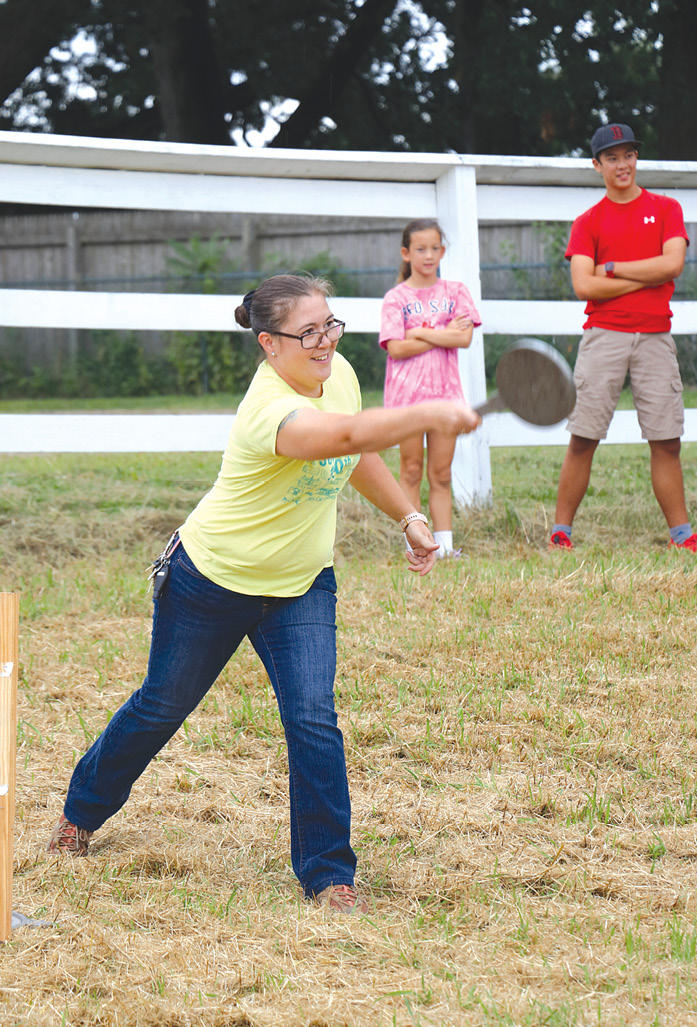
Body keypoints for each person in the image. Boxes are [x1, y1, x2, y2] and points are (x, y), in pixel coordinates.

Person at [46, 274, 480, 914]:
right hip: (211, 581)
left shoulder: (340, 375)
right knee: (161, 706)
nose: (325, 341)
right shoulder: (268, 410)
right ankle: (81, 813)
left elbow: (355, 452)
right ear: (268, 344)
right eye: (308, 332)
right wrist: (428, 412)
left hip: (301, 584)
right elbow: (337, 438)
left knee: (313, 722)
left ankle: (330, 876)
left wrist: (408, 515)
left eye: (330, 325)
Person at [550, 122, 696, 552]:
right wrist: (642, 275)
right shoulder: (588, 221)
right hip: (604, 336)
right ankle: (562, 532)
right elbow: (584, 287)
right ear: (597, 165)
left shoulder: (666, 208)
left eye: (628, 155)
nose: (622, 164)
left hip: (655, 337)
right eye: (612, 157)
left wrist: (611, 268)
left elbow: (672, 266)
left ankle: (682, 534)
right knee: (584, 436)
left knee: (666, 439)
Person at [379, 219, 481, 559]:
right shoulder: (396, 298)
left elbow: (463, 338)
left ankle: (445, 546)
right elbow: (395, 348)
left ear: (443, 251)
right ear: (406, 253)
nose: (428, 255)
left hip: (445, 397)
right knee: (410, 469)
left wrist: (419, 333)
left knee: (441, 473)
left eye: (434, 248)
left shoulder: (455, 292)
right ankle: (415, 543)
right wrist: (441, 332)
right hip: (407, 398)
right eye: (420, 249)